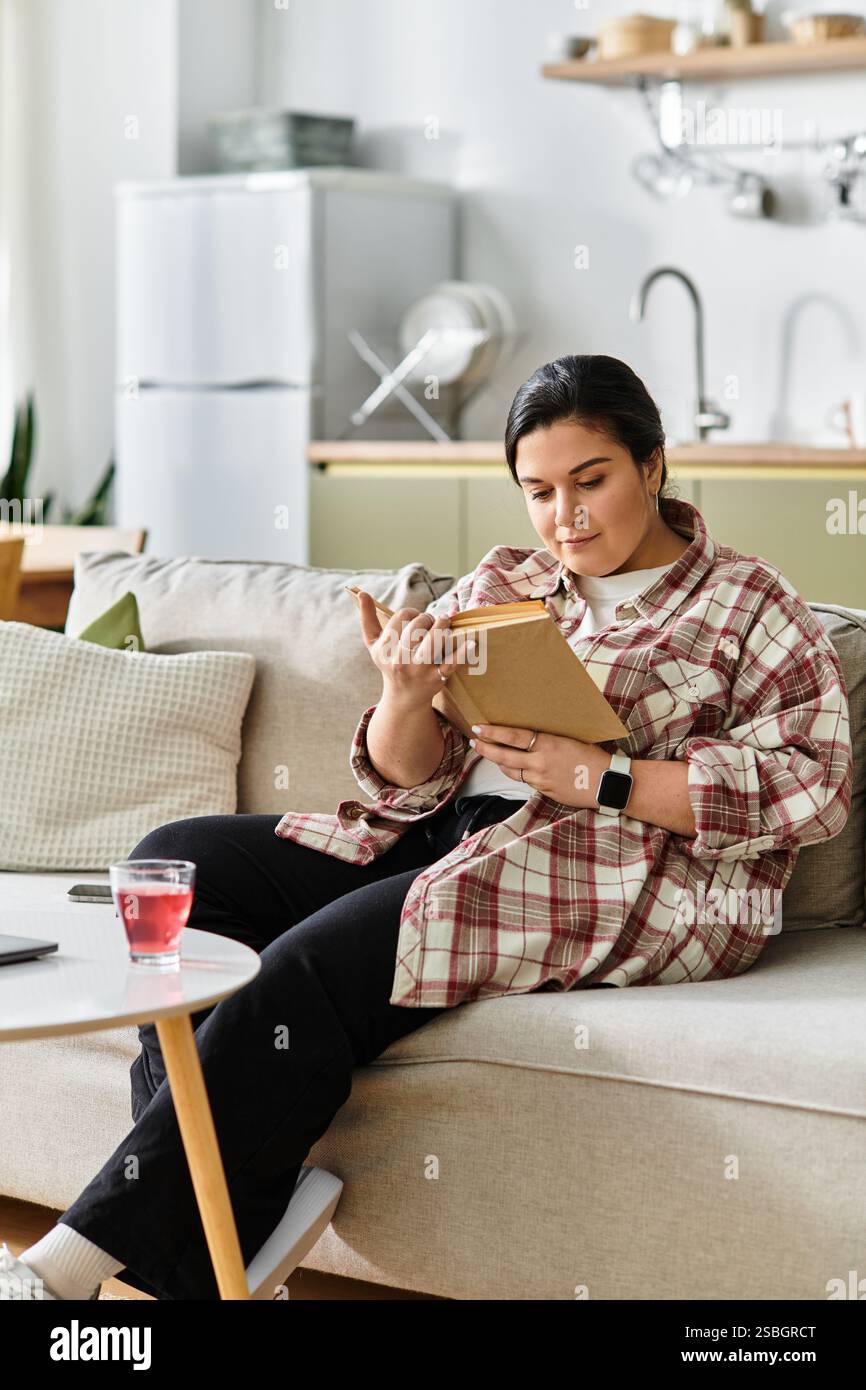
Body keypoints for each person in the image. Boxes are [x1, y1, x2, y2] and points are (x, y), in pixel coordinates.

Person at [1, 354, 852, 1301]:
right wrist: (404, 693)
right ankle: (221, 1243)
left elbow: (809, 791)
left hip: (613, 870)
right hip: (452, 829)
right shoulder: (510, 581)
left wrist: (603, 779)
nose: (564, 517)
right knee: (174, 870)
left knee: (312, 963)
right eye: (538, 491)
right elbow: (405, 771)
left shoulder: (752, 605)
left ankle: (65, 1267)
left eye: (590, 481)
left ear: (653, 466)